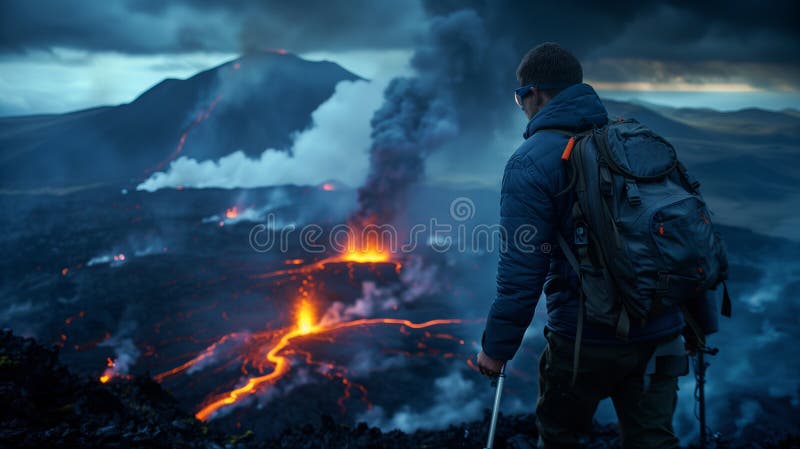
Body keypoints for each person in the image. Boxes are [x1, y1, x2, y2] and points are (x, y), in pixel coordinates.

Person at [476, 42, 718, 449]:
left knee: (560, 437)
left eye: (519, 97)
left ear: (533, 93)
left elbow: (522, 271)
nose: (521, 106)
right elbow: (691, 237)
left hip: (584, 339)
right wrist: (698, 324)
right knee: (654, 441)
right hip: (662, 331)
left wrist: (496, 350)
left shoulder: (530, 161)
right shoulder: (638, 143)